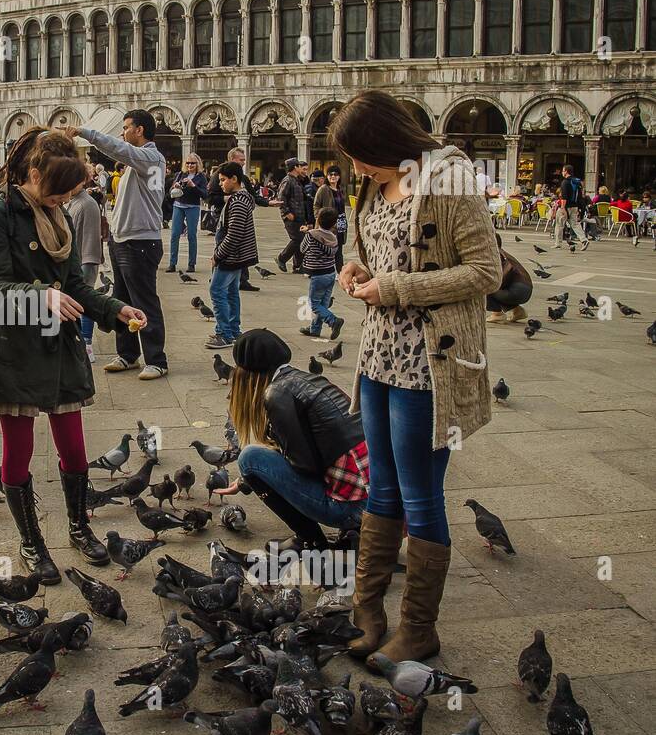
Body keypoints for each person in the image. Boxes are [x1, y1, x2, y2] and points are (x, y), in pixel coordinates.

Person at [330, 89, 500, 666]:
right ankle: (367, 609)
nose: (354, 169)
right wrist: (355, 270)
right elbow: (378, 258)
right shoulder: (374, 184)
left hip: (429, 365)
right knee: (381, 485)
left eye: (359, 155)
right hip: (378, 357)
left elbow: (485, 271)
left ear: (386, 141)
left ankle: (418, 629)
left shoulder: (448, 177)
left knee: (420, 494)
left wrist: (396, 288)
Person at [0, 127, 146, 581]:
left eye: (68, 195)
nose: (61, 201)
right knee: (19, 451)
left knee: (74, 448)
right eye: (56, 193)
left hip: (60, 349)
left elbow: (75, 287)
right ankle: (31, 542)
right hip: (16, 351)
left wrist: (116, 309)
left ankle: (78, 526)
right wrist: (41, 296)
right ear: (33, 174)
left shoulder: (62, 217)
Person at [214, 328, 367, 549]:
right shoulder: (309, 379)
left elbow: (305, 467)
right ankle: (353, 532)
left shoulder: (277, 394)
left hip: (352, 509)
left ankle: (309, 539)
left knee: (250, 458)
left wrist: (258, 475)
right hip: (375, 501)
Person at [70, 110, 168, 380]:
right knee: (122, 300)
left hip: (141, 241)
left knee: (144, 301)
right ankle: (127, 354)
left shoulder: (150, 157)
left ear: (140, 130)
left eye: (126, 127)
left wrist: (85, 133)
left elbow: (118, 148)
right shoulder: (140, 163)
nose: (123, 132)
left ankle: (156, 360)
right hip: (124, 240)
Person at [207, 162, 257, 349]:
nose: (220, 184)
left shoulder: (237, 201)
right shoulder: (240, 199)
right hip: (238, 256)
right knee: (231, 292)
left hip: (231, 256)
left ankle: (224, 333)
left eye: (222, 180)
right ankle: (234, 331)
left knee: (216, 290)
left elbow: (234, 234)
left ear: (234, 179)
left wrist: (218, 255)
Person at [68, 168, 105, 363]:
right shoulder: (74, 202)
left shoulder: (86, 204)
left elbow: (90, 238)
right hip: (79, 261)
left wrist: (88, 262)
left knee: (84, 302)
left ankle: (87, 342)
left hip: (85, 261)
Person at [299, 207, 344, 340]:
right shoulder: (334, 238)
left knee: (314, 303)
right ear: (334, 223)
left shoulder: (311, 234)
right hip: (330, 273)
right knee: (323, 303)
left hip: (317, 274)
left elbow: (302, 249)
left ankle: (333, 321)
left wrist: (307, 232)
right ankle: (315, 329)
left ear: (318, 219)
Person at [166, 153, 208, 274]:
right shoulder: (180, 174)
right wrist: (176, 185)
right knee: (174, 234)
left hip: (193, 207)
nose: (190, 165)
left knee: (191, 235)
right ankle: (172, 263)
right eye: (188, 163)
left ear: (197, 164)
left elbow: (205, 195)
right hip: (178, 205)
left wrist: (193, 185)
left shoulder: (201, 177)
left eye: (192, 163)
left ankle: (191, 264)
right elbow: (171, 191)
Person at [486, 234, 532, 323]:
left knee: (483, 285)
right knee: (500, 289)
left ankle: (497, 314)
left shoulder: (494, 254)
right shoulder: (503, 253)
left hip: (516, 291)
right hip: (526, 289)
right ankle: (517, 311)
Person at [275, 158, 310, 272]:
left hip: (299, 215)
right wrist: (286, 212)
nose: (302, 169)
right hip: (292, 216)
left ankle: (298, 265)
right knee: (297, 239)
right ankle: (282, 258)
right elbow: (281, 197)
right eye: (300, 166)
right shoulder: (288, 180)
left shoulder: (296, 180)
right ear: (295, 167)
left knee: (301, 239)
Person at [554, 163, 589, 250]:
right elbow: (581, 196)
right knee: (575, 224)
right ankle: (584, 240)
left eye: (563, 170)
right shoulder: (577, 182)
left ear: (566, 172)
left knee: (559, 224)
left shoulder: (565, 182)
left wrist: (562, 208)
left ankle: (558, 243)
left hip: (566, 206)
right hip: (575, 206)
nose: (562, 172)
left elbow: (564, 196)